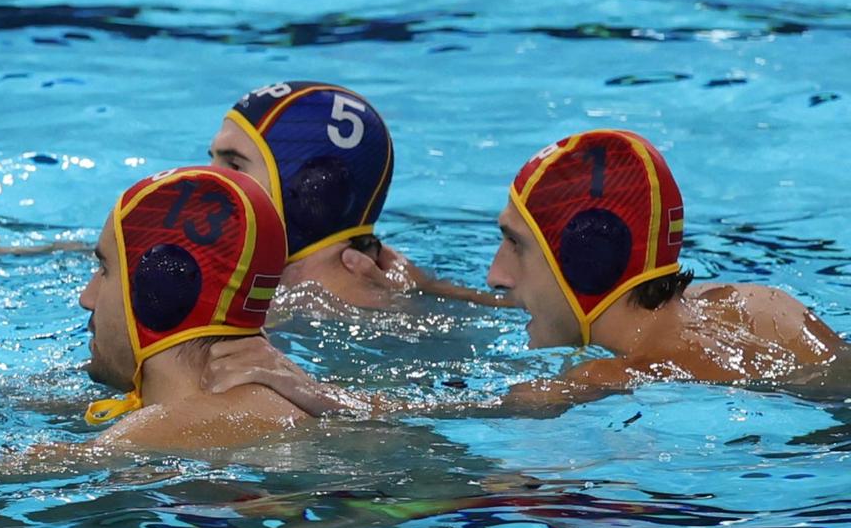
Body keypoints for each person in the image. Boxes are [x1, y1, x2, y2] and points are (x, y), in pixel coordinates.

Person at [491, 128, 842, 393]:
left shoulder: (599, 383)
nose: (496, 275)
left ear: (587, 257)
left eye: (516, 243)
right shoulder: (763, 305)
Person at [74, 166, 342, 448]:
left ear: (160, 289)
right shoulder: (310, 409)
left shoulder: (144, 439)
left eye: (104, 269)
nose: (86, 297)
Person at [203, 82, 490, 309]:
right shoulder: (393, 285)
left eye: (234, 165)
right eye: (211, 159)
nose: (206, 178)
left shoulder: (324, 306)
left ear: (311, 191)